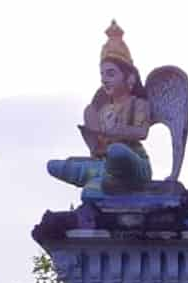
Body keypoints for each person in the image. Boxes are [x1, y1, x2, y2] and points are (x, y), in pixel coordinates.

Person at [47, 21, 153, 198]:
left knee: (117, 152)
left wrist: (116, 132)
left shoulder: (138, 103)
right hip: (105, 161)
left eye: (111, 74)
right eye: (102, 74)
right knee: (54, 165)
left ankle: (101, 179)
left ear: (130, 78)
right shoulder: (103, 108)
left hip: (133, 161)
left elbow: (142, 132)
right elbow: (99, 146)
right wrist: (95, 142)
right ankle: (103, 178)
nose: (104, 80)